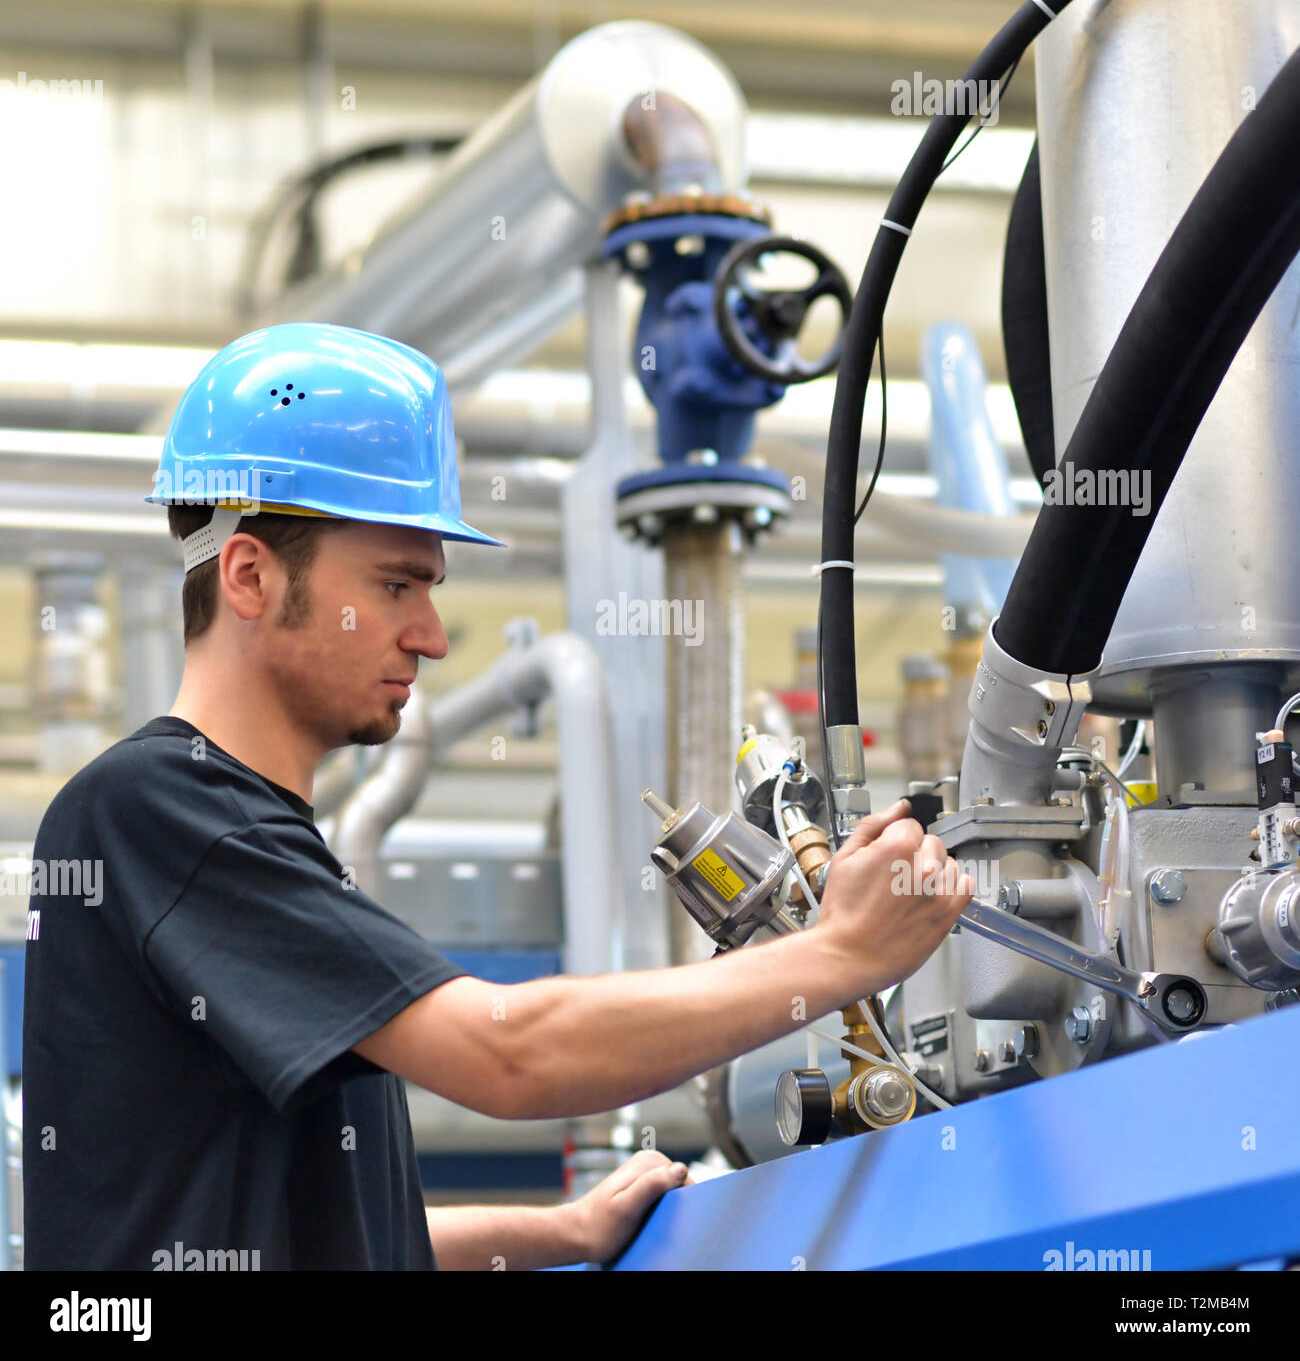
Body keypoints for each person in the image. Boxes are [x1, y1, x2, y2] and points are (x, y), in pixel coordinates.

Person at [21, 322, 971, 1271]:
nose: (432, 636)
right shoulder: (155, 810)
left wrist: (559, 1232)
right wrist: (840, 954)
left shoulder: (232, 834)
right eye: (397, 585)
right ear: (251, 576)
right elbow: (510, 1054)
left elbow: (322, 1244)